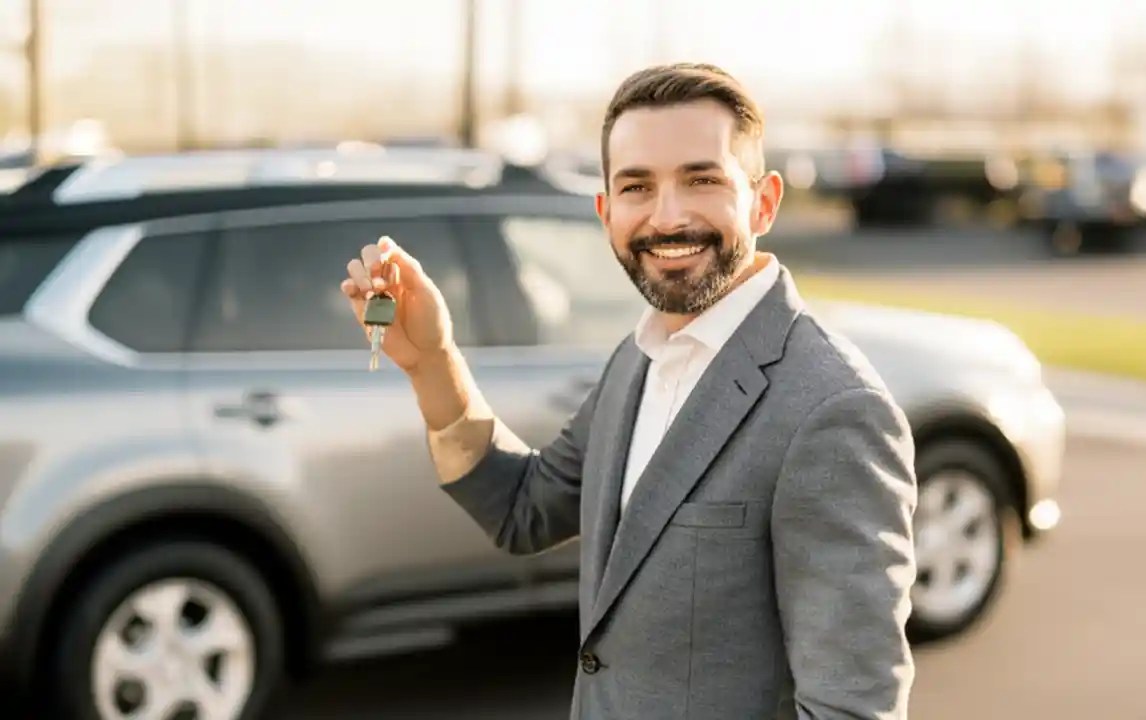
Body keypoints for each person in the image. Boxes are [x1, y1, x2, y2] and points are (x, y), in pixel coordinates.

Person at [341, 63, 917, 720]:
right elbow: (523, 510)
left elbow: (852, 711)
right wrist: (432, 361)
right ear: (605, 209)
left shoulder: (834, 412)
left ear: (763, 201)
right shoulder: (638, 359)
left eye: (701, 179)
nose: (667, 217)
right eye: (637, 187)